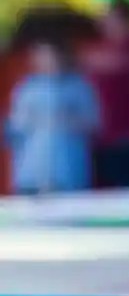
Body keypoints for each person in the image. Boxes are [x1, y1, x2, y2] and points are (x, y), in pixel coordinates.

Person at [8, 38, 99, 195]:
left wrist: (67, 119)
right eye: (40, 55)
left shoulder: (78, 86)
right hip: (31, 172)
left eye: (49, 55)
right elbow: (15, 127)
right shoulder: (26, 89)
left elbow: (93, 123)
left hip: (68, 172)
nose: (45, 60)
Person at [86, 0, 129, 189]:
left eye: (112, 19)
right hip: (103, 140)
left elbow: (114, 62)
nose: (106, 24)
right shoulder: (99, 46)